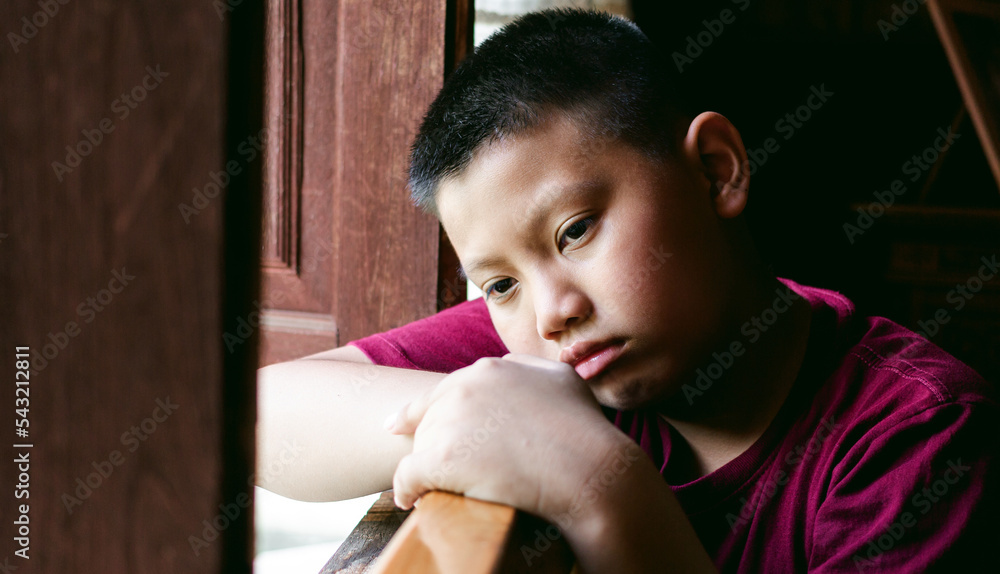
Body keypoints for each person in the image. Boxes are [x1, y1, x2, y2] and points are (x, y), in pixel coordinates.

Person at [256, 9, 998, 572]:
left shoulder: (922, 443)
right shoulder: (556, 353)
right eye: (500, 282)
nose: (552, 311)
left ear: (715, 170)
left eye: (576, 231)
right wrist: (476, 418)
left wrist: (600, 487)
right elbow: (256, 416)